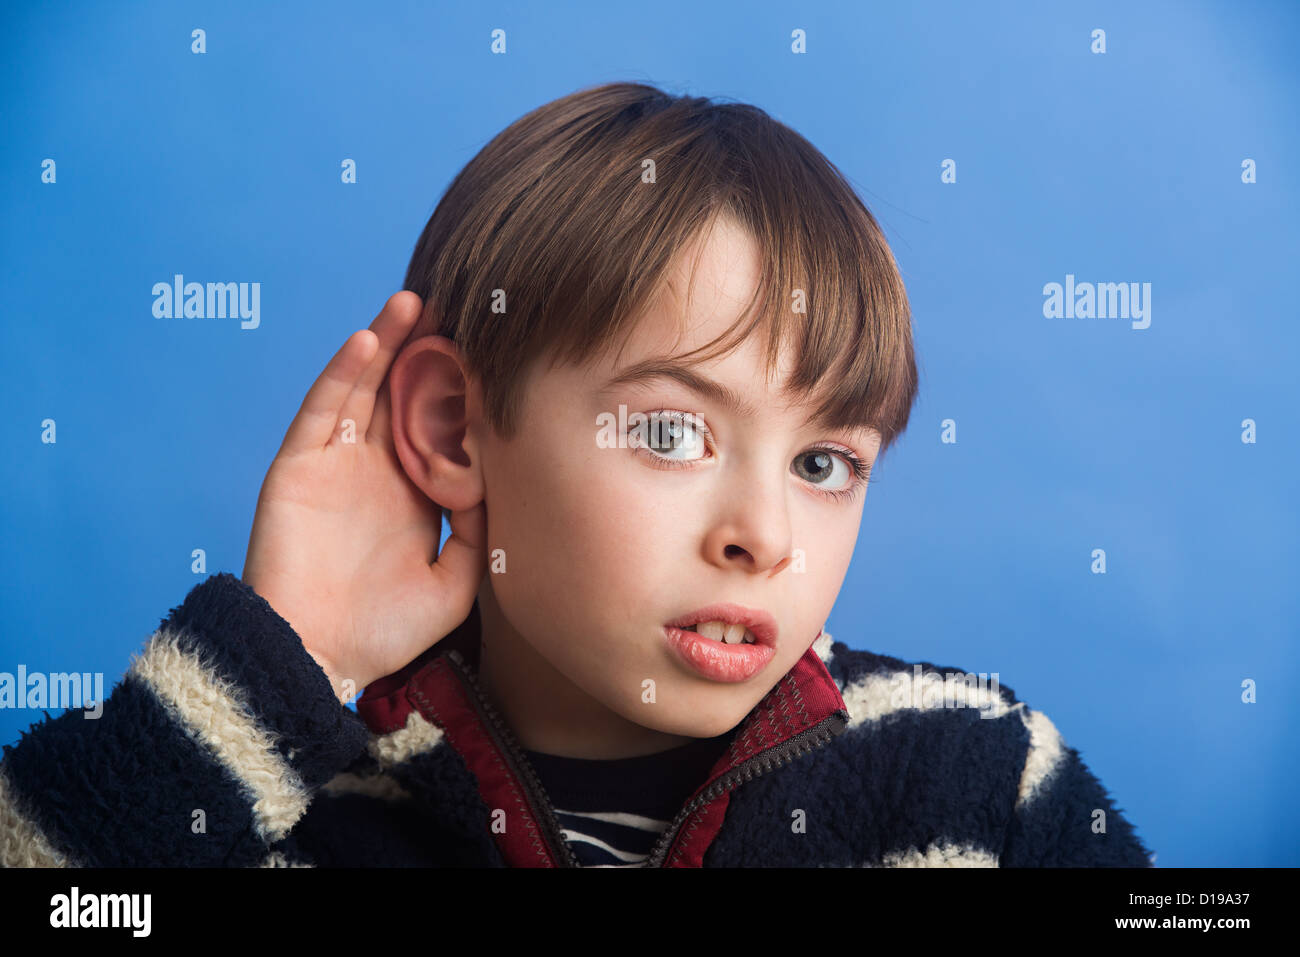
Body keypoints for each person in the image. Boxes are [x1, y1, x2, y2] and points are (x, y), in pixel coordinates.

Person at [0, 81, 1152, 867]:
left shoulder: (975, 777)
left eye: (822, 461)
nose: (764, 534)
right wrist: (284, 653)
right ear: (457, 430)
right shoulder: (284, 822)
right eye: (668, 434)